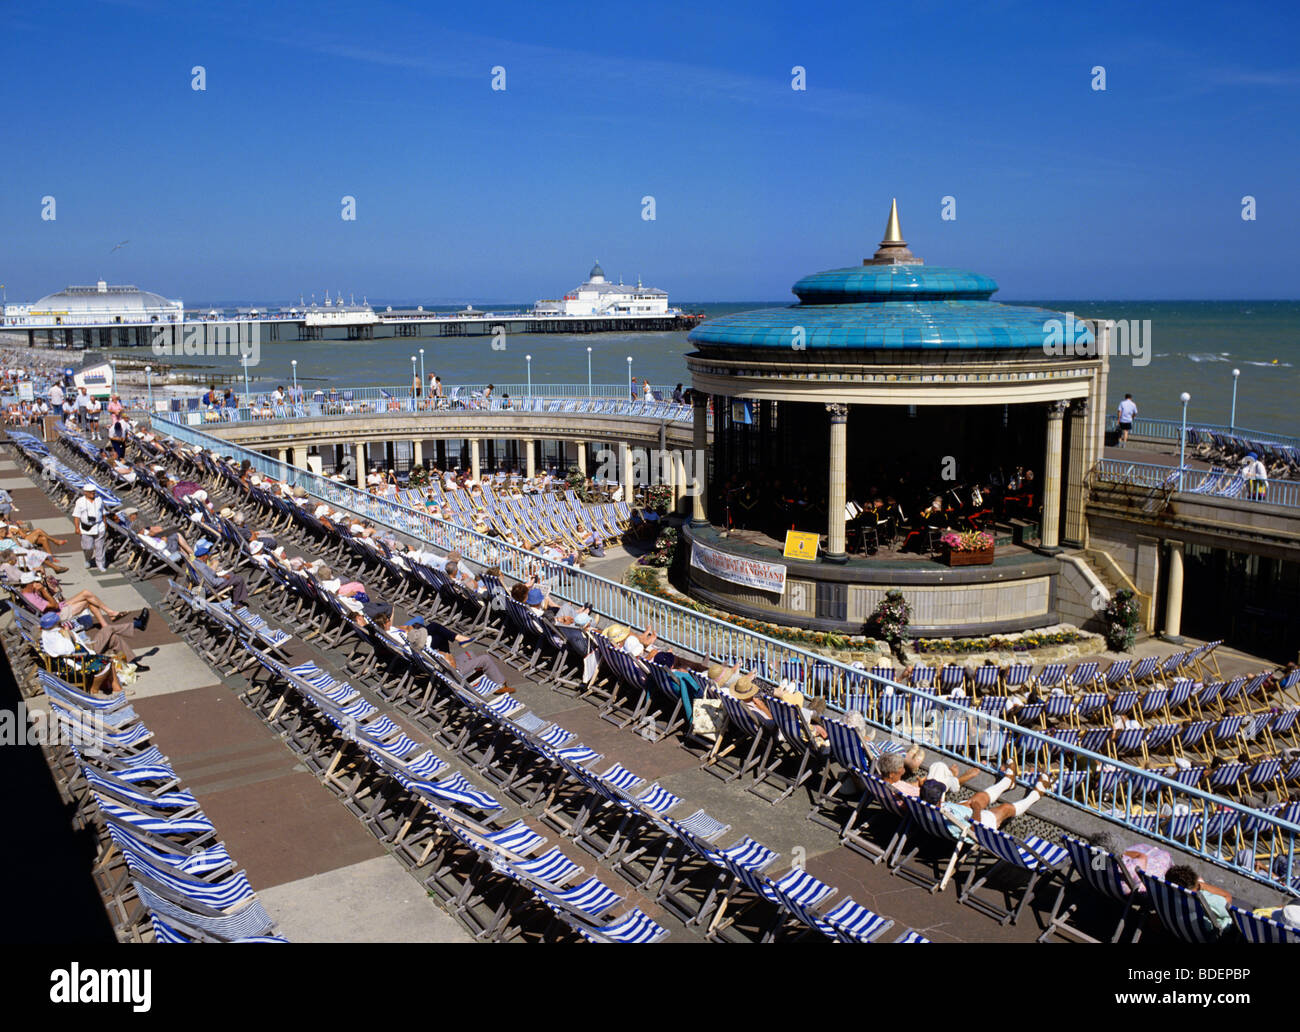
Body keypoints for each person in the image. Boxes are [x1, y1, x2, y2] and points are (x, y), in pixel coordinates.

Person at [920, 762, 1050, 834]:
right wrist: (976, 810)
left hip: (954, 815)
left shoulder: (922, 806)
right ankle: (1035, 795)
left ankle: (1007, 782)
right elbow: (973, 830)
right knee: (1005, 808)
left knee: (979, 797)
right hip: (971, 825)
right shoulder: (940, 810)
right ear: (938, 800)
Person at [1165, 865, 1233, 934]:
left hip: (1176, 929)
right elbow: (1228, 898)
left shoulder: (1164, 892)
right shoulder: (1203, 899)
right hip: (1206, 934)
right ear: (1195, 885)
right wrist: (1201, 885)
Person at [72, 483, 108, 572]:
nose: (93, 493)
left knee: (100, 547)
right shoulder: (80, 501)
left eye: (94, 492)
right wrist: (77, 528)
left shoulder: (99, 500)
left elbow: (103, 512)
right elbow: (76, 516)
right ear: (85, 493)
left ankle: (100, 564)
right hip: (86, 528)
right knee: (88, 547)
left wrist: (105, 523)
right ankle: (87, 559)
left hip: (99, 526)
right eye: (91, 492)